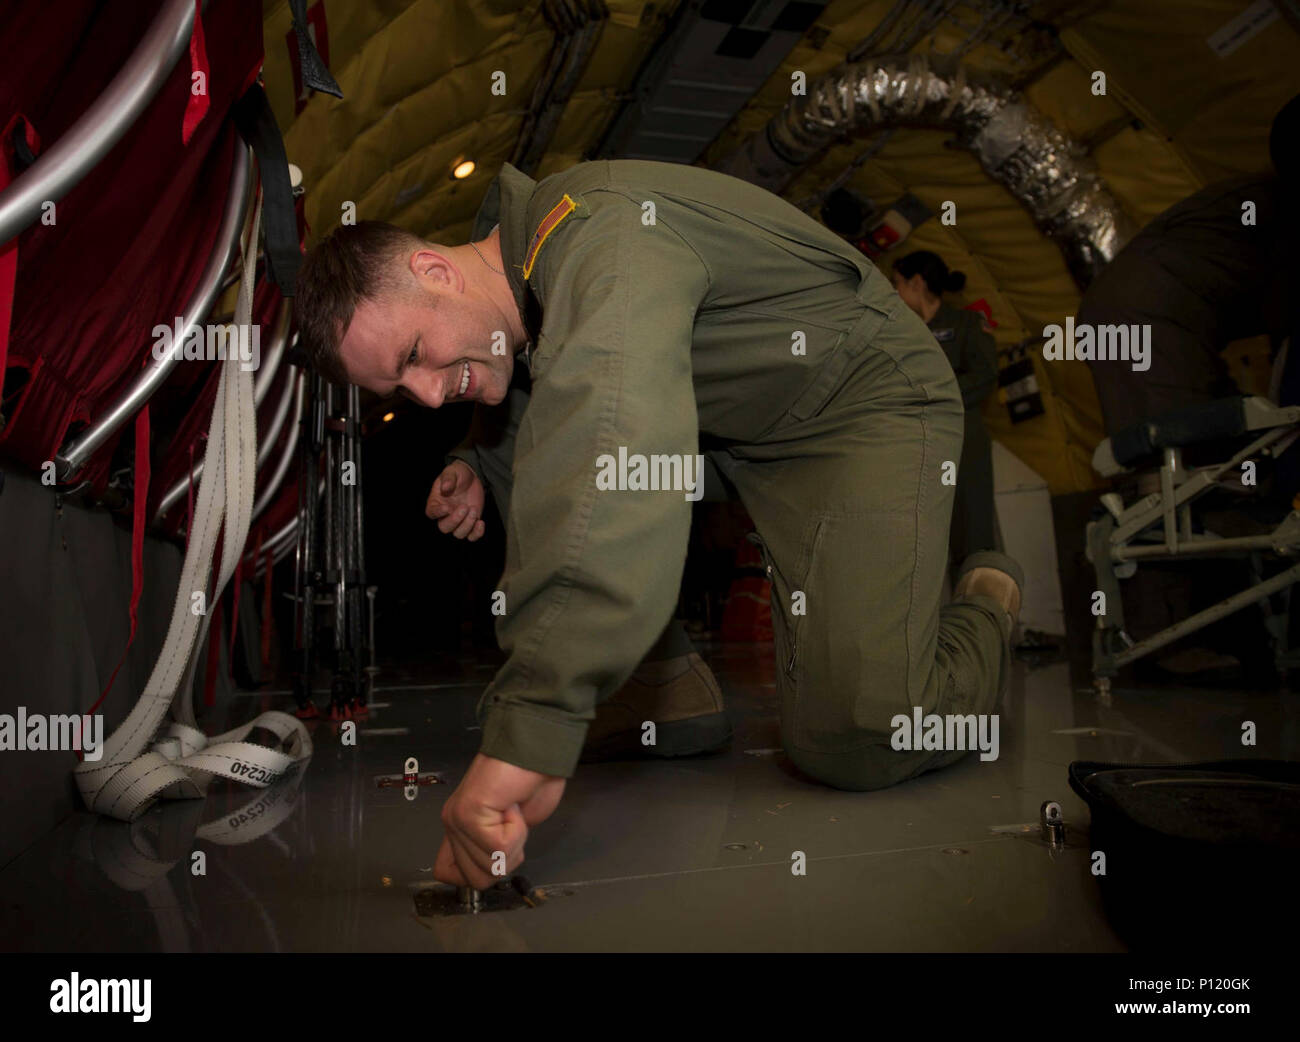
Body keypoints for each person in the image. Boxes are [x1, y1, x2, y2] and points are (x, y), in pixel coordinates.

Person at [295, 159, 1025, 890]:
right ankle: (665, 691)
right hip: (743, 433)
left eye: (413, 356)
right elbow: (543, 394)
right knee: (536, 433)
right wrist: (480, 466)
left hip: (861, 405)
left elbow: (609, 433)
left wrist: (537, 720)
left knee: (863, 737)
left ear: (434, 270)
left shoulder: (600, 233)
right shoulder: (523, 286)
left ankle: (988, 597)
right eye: (398, 387)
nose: (424, 394)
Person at [892, 251, 1000, 570]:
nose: (893, 291)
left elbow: (985, 375)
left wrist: (934, 394)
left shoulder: (965, 324)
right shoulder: (901, 333)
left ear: (917, 282)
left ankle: (979, 607)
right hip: (916, 444)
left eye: (897, 283)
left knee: (972, 531)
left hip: (962, 439)